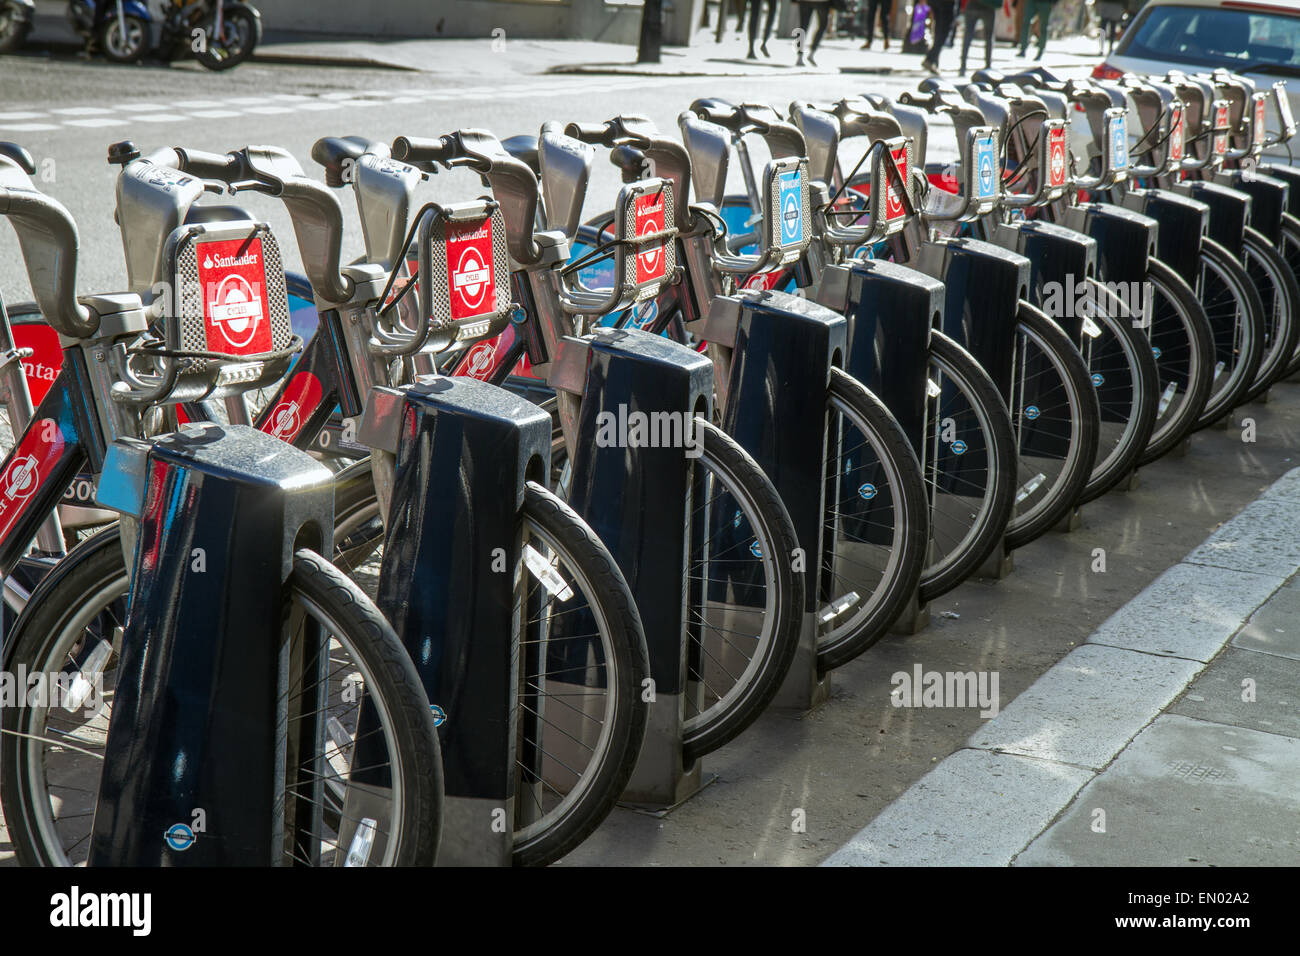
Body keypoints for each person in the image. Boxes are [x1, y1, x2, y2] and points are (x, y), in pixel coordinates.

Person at [960, 0, 999, 74]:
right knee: (989, 37)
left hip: (974, 4)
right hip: (988, 6)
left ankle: (963, 66)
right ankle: (988, 65)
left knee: (968, 35)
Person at [792, 0, 832, 66]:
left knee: (803, 26)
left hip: (805, 2)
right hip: (822, 2)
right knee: (823, 25)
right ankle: (812, 52)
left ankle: (799, 57)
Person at [922, 0, 957, 73]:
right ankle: (930, 59)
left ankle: (934, 62)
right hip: (946, 3)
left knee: (938, 29)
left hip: (935, 2)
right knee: (944, 31)